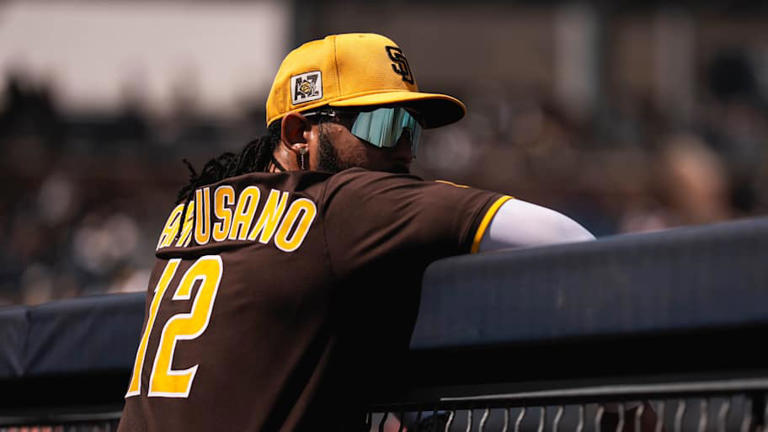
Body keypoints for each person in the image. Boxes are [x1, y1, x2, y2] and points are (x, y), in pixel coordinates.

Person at [117, 33, 594, 432]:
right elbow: (568, 239)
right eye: (383, 124)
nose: (405, 149)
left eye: (412, 128)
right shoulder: (341, 203)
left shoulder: (188, 214)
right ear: (299, 134)